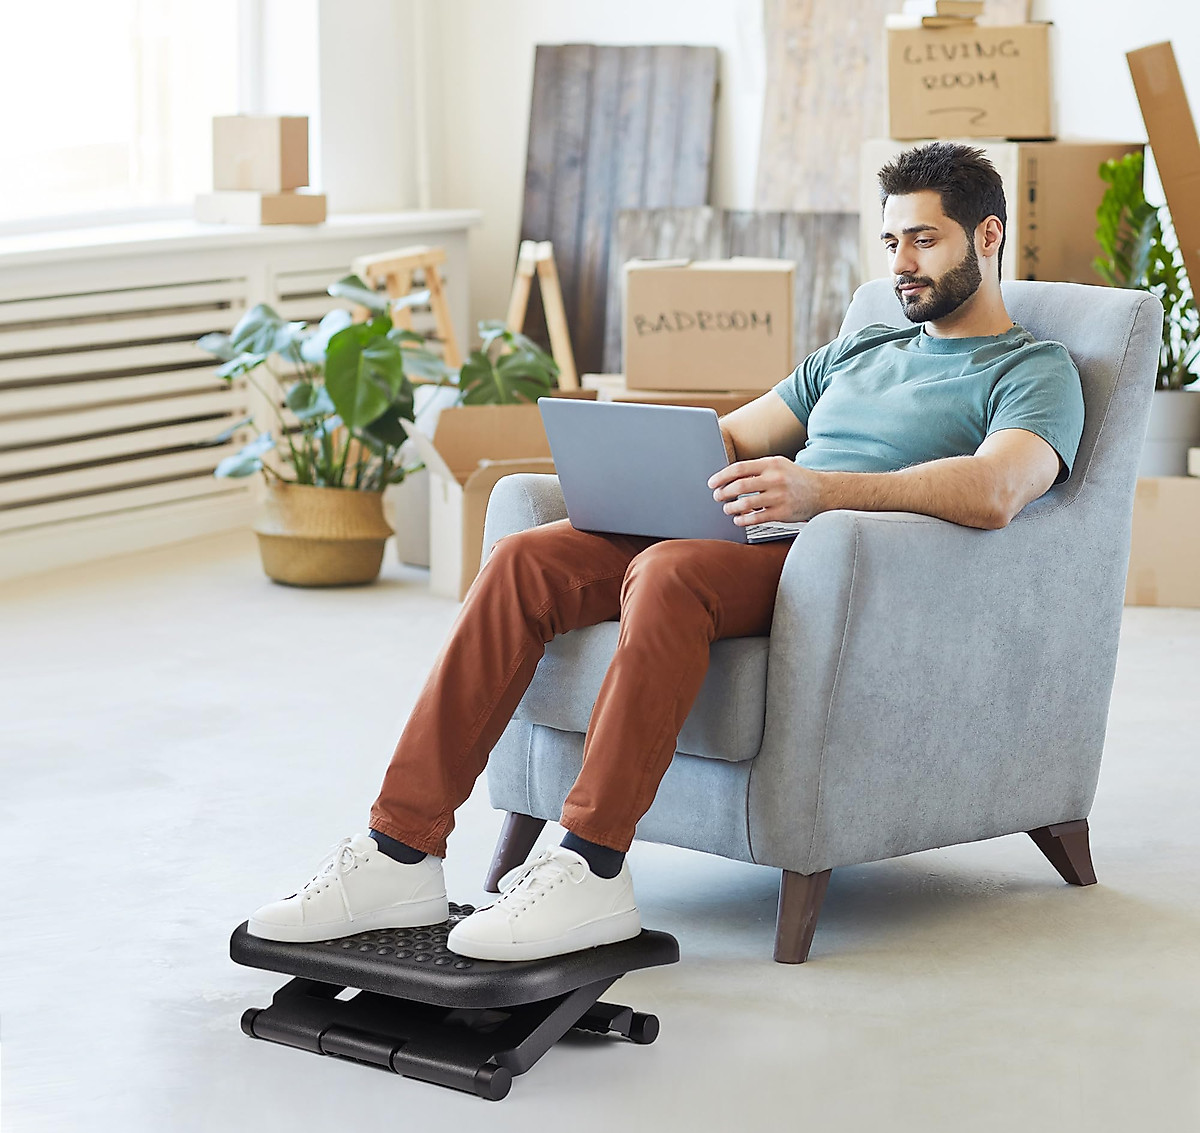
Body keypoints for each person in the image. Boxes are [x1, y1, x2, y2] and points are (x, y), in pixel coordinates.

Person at [247, 141, 1084, 961]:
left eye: (924, 240)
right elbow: (734, 437)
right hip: (757, 530)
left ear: (987, 236)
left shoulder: (1034, 369)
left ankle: (591, 866)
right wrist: (636, 465)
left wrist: (819, 491)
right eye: (892, 240)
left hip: (838, 561)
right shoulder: (862, 346)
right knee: (525, 559)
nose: (902, 263)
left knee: (670, 570)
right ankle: (399, 851)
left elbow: (997, 489)